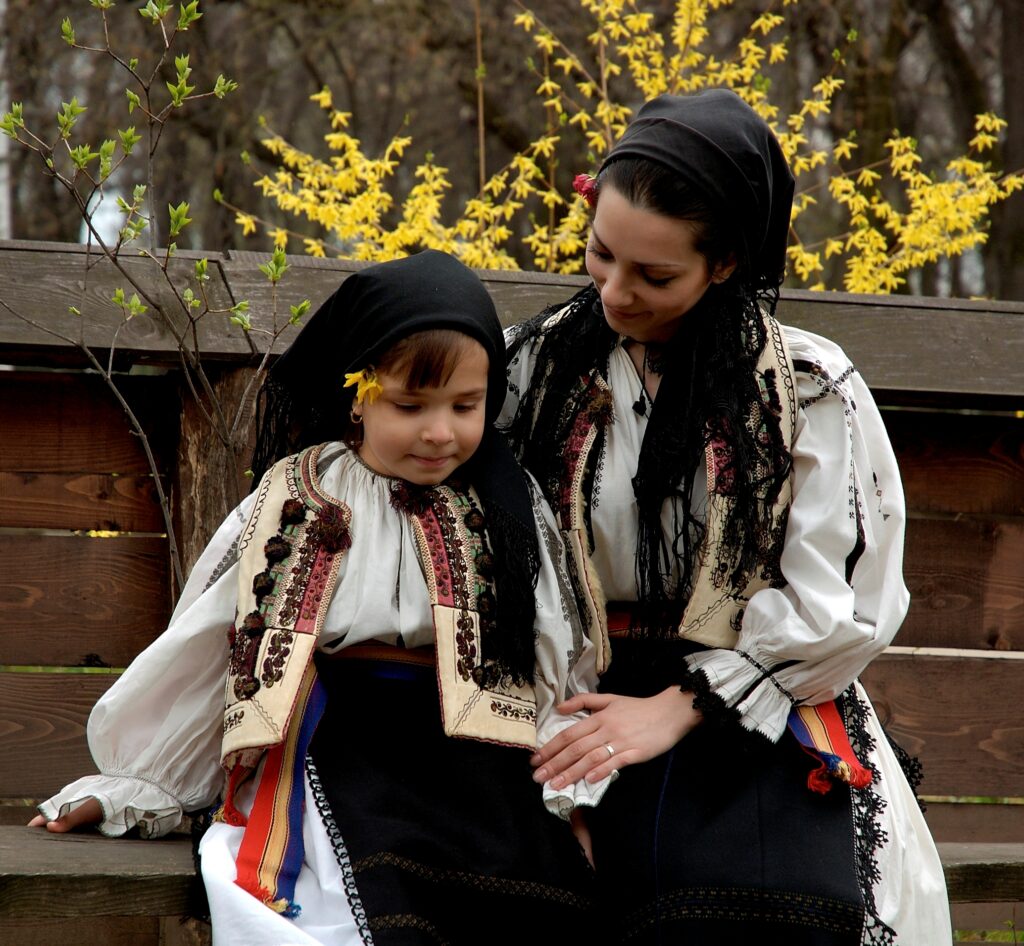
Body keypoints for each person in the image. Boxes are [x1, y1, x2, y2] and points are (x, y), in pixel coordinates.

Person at [31, 250, 610, 945]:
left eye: (466, 406)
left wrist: (568, 787)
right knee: (337, 901)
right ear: (356, 396)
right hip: (336, 746)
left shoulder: (510, 511)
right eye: (410, 405)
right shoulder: (295, 498)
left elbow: (551, 649)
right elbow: (212, 641)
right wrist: (143, 784)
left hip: (477, 763)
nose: (440, 431)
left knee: (525, 900)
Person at [501, 89, 950, 944]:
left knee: (754, 902)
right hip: (571, 694)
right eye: (602, 255)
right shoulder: (535, 374)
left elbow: (847, 603)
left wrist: (679, 707)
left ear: (728, 264)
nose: (615, 294)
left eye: (655, 276)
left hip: (755, 705)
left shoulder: (807, 390)